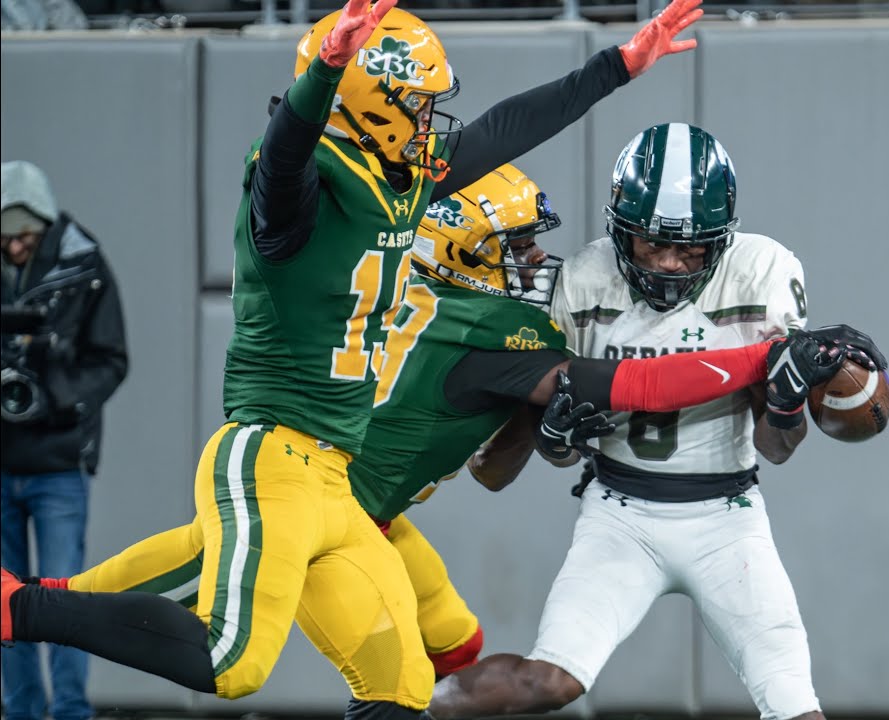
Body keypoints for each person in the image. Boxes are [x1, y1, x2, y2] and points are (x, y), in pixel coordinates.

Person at [1, 0, 705, 716]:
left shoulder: (398, 181)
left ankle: (40, 600)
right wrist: (324, 77)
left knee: (401, 687)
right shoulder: (296, 192)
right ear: (369, 106)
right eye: (419, 106)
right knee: (233, 661)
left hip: (335, 481)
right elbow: (281, 162)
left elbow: (505, 127)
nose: (433, 121)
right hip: (272, 454)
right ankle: (20, 609)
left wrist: (617, 66)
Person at [10, 162, 849, 686]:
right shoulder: (495, 331)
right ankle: (32, 605)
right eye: (515, 247)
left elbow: (494, 461)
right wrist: (765, 358)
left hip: (365, 500)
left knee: (453, 636)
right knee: (231, 639)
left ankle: (40, 601)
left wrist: (545, 428)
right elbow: (635, 382)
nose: (533, 262)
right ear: (468, 249)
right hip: (320, 493)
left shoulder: (428, 296)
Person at [425, 123, 889, 720]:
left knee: (795, 705)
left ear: (723, 240)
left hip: (729, 519)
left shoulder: (762, 271)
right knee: (550, 682)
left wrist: (786, 398)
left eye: (691, 247)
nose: (669, 263)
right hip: (618, 515)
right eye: (649, 244)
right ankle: (409, 707)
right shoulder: (584, 279)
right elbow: (535, 452)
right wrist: (556, 438)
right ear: (619, 230)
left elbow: (776, 449)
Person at [0, 161, 128, 720]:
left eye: (24, 235)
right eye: (4, 236)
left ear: (45, 227)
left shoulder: (85, 266)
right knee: (5, 607)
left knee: (62, 599)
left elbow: (112, 360)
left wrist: (54, 393)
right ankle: (21, 711)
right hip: (0, 463)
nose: (14, 247)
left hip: (58, 464)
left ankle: (72, 712)